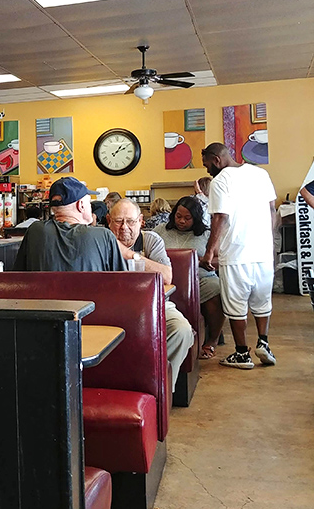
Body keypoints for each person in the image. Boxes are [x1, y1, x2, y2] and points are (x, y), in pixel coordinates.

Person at [200, 142, 277, 369]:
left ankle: (242, 354)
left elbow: (220, 218)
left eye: (207, 166)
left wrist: (209, 251)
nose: (207, 171)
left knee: (236, 305)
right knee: (262, 301)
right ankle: (263, 343)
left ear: (216, 160)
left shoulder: (220, 181)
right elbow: (272, 209)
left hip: (235, 253)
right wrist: (267, 239)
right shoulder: (260, 173)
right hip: (263, 252)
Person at [108, 198, 195, 389]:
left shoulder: (151, 240)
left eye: (130, 221)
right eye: (118, 221)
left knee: (181, 330)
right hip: (113, 309)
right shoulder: (100, 242)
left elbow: (167, 277)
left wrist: (129, 254)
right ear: (108, 221)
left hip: (156, 304)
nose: (124, 228)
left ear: (141, 221)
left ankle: (160, 388)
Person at [157, 196, 225, 359]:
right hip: (169, 279)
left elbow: (219, 258)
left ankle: (212, 340)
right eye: (178, 216)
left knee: (216, 289)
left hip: (200, 278)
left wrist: (203, 262)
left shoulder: (206, 235)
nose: (181, 221)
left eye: (187, 218)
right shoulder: (160, 230)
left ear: (196, 218)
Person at [13, 177, 126, 272]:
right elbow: (123, 284)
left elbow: (17, 278)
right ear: (81, 205)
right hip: (91, 299)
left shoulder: (35, 231)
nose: (90, 206)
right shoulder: (104, 236)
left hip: (44, 299)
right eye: (89, 202)